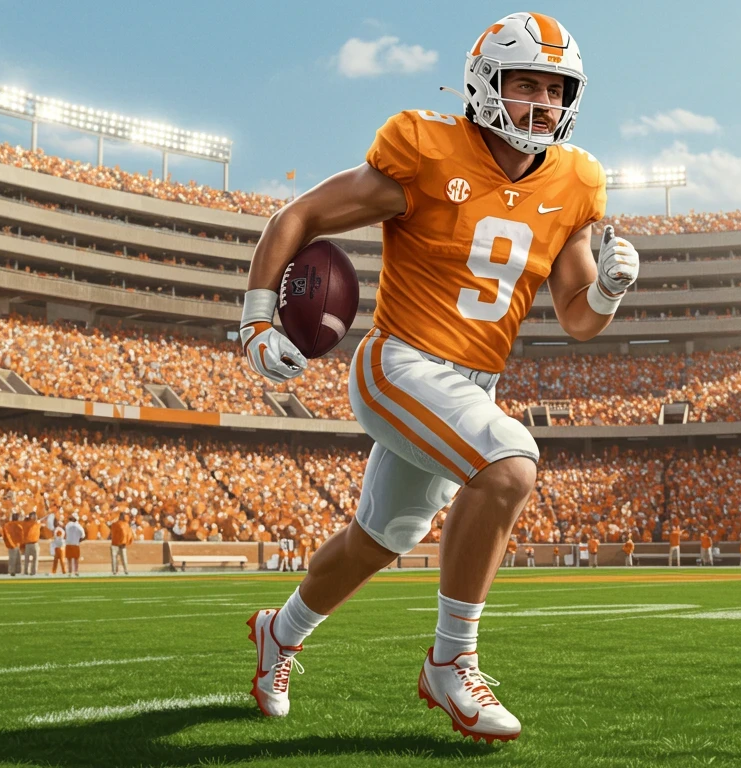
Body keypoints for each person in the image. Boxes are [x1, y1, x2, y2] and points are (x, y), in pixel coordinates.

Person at [240, 12, 622, 743]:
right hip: (401, 363)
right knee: (510, 466)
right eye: (525, 85)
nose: (542, 103)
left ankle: (278, 634)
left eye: (555, 88)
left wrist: (605, 292)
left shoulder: (577, 181)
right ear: (486, 84)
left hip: (473, 385)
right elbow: (300, 216)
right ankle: (451, 663)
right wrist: (258, 318)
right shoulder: (427, 149)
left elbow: (576, 317)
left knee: (379, 540)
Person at [109, 511, 133, 576]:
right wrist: (127, 542)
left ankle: (116, 571)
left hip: (116, 543)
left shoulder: (115, 524)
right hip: (121, 544)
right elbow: (129, 535)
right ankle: (124, 570)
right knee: (122, 558)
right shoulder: (124, 524)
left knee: (116, 558)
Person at [22, 511, 42, 575]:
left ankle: (33, 572)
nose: (35, 517)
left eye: (35, 515)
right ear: (30, 517)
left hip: (35, 543)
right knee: (26, 559)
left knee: (35, 559)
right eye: (33, 516)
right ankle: (26, 572)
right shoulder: (27, 523)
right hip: (28, 543)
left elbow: (38, 521)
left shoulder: (37, 523)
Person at [4, 512, 24, 577]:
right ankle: (17, 572)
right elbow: (21, 536)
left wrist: (8, 544)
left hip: (11, 545)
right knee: (18, 560)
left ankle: (11, 572)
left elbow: (5, 536)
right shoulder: (19, 525)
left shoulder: (7, 525)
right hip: (17, 544)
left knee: (12, 559)